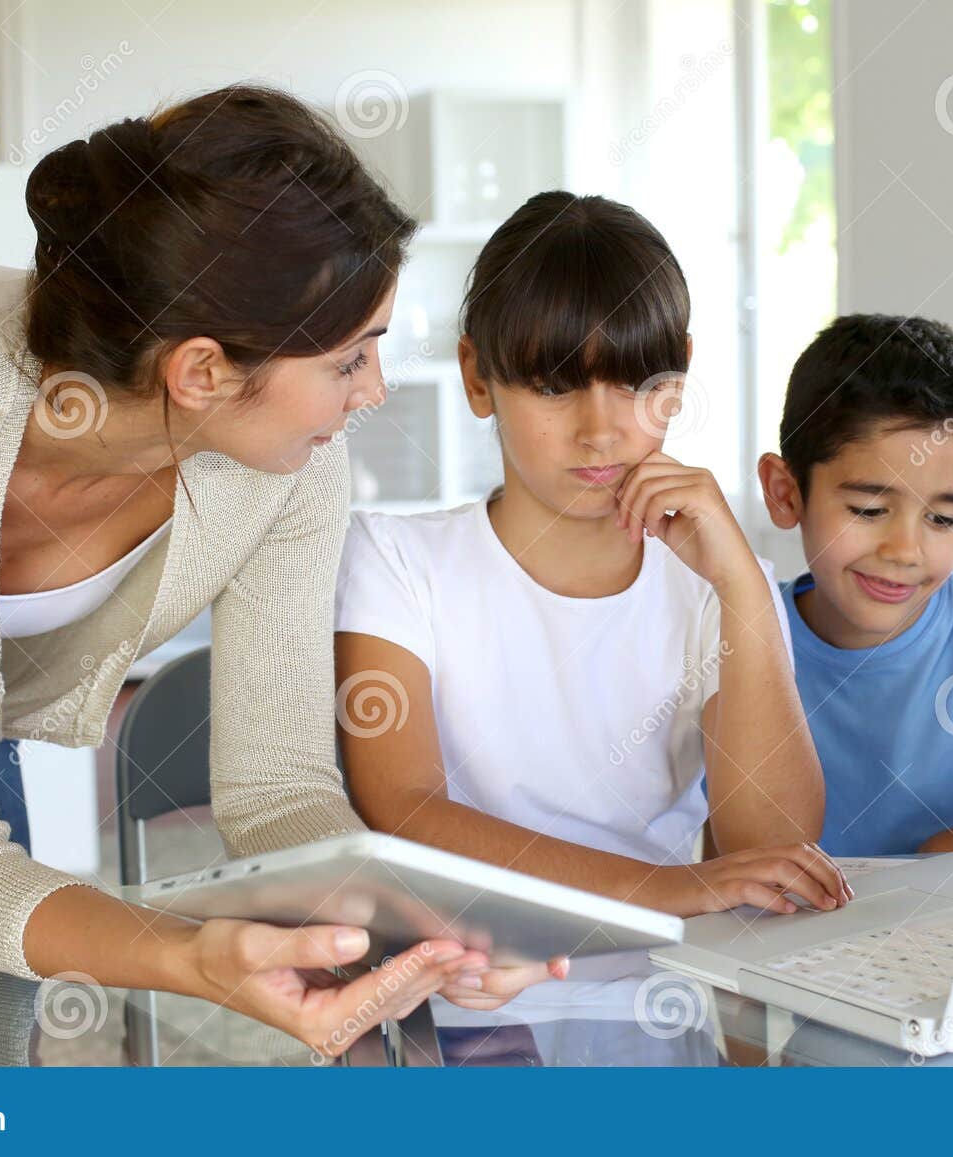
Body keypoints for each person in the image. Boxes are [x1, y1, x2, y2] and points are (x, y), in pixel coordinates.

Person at [0, 84, 497, 1057]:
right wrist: (190, 955)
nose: (373, 392)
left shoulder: (291, 467)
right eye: (350, 358)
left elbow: (276, 787)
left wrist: (395, 921)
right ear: (202, 371)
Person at [333, 192, 851, 1012]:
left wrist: (745, 588)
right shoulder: (397, 560)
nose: (599, 430)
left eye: (635, 383)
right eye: (554, 387)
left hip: (671, 1000)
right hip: (468, 998)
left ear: (678, 373)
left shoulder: (720, 582)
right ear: (478, 377)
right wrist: (670, 889)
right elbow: (406, 810)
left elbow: (773, 847)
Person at [756, 314, 953, 855]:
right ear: (787, 494)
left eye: (944, 520)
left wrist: (936, 858)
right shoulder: (747, 641)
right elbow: (734, 862)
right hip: (807, 939)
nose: (904, 551)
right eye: (869, 509)